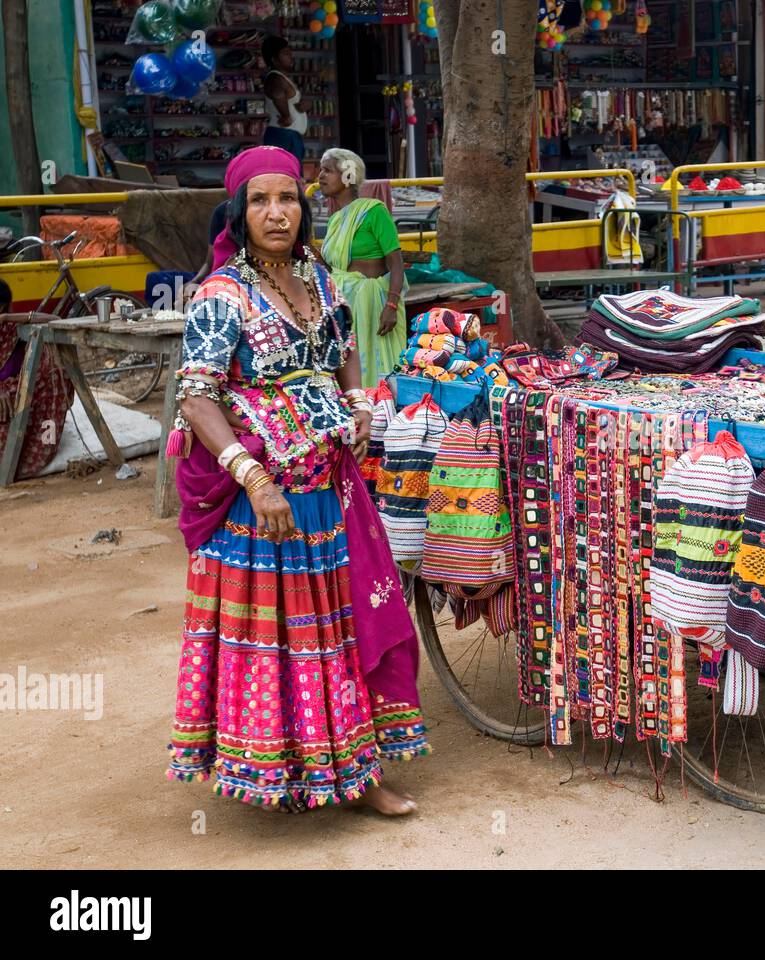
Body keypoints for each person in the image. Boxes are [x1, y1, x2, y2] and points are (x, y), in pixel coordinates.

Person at [165, 146, 427, 815]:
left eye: (288, 198)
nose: (277, 213)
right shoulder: (221, 297)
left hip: (326, 486)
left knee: (338, 627)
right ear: (239, 212)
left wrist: (361, 404)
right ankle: (283, 770)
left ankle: (356, 776)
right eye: (260, 201)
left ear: (305, 207)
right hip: (263, 501)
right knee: (282, 635)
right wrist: (253, 478)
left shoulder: (317, 276)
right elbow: (197, 398)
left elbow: (343, 351)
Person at [317, 148, 408, 388]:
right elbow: (334, 269)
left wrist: (391, 304)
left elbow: (396, 263)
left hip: (373, 305)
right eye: (320, 170)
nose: (320, 176)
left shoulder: (374, 211)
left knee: (377, 368)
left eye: (327, 170)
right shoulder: (336, 218)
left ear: (347, 175)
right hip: (344, 305)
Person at [0, 279, 74, 478]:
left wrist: (8, 317)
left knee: (55, 373)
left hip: (16, 396)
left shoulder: (10, 329)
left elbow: (55, 319)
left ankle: (32, 445)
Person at [261, 36, 308, 166]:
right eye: (285, 53)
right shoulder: (276, 78)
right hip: (283, 135)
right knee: (286, 175)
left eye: (290, 53)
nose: (291, 57)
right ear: (274, 59)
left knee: (290, 175)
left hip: (287, 135)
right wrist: (286, 115)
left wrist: (300, 108)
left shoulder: (280, 77)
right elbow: (277, 94)